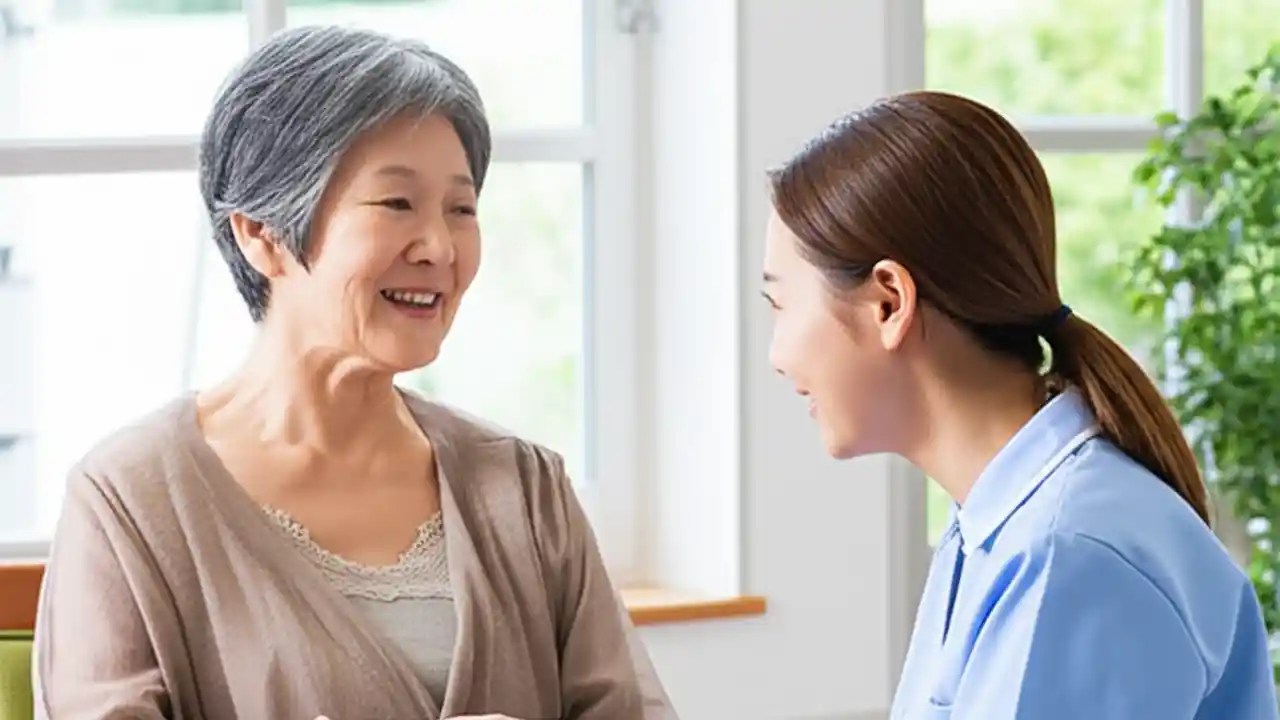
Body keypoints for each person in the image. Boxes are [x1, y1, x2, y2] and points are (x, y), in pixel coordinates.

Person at [33, 25, 674, 720]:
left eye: (461, 208)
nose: (438, 247)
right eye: (396, 204)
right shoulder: (131, 503)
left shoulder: (524, 489)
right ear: (262, 234)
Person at [760, 90, 1278, 719]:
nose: (777, 355)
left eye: (780, 305)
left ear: (889, 302)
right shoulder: (1000, 527)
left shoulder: (1068, 554)